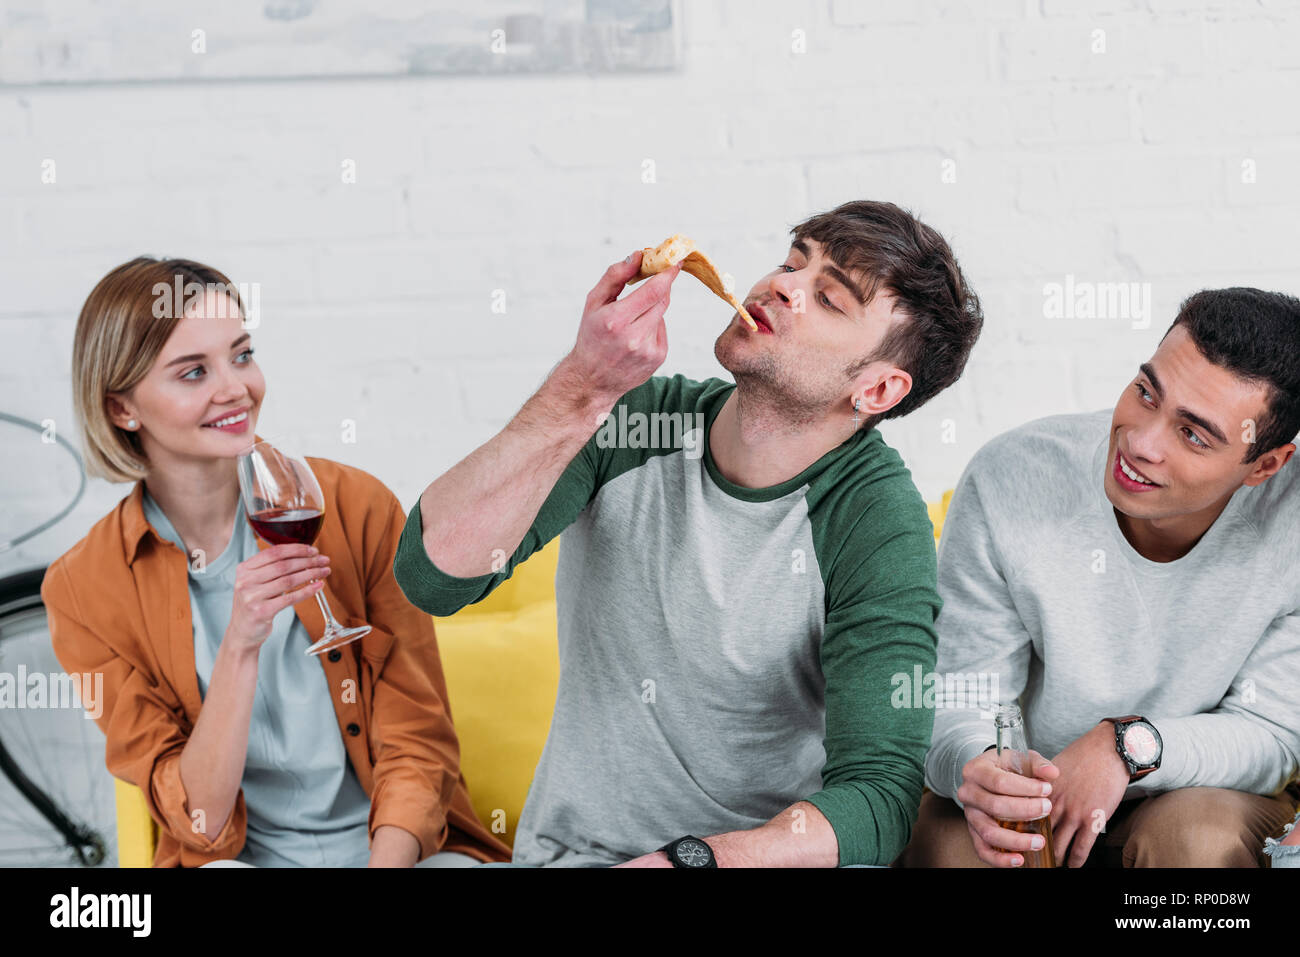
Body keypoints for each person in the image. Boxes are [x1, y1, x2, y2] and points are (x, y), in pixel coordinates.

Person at [393, 200, 985, 867]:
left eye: (828, 298)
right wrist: (582, 385)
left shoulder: (876, 520)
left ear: (878, 389)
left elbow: (879, 798)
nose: (781, 286)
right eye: (793, 262)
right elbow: (431, 577)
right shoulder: (635, 420)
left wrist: (689, 860)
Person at [43, 257, 510, 868]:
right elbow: (200, 820)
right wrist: (240, 644)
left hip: (395, 852)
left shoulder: (354, 507)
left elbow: (417, 743)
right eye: (192, 373)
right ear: (121, 410)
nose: (235, 387)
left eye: (241, 354)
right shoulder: (82, 591)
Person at [901, 287, 1300, 868]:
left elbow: (1270, 735)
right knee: (957, 847)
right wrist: (978, 764)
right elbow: (960, 695)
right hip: (1037, 788)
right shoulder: (1014, 475)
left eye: (1192, 434)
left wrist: (1130, 748)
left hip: (1200, 791)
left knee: (1195, 841)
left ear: (1264, 465)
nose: (1139, 443)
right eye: (1146, 393)